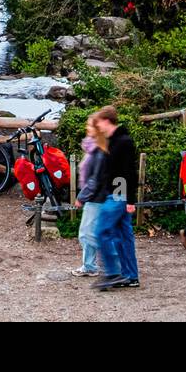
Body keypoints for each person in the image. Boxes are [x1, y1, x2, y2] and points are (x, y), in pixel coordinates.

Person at [92, 105, 140, 290]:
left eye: (99, 123)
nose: (99, 127)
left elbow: (129, 172)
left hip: (118, 194)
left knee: (102, 232)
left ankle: (113, 273)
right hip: (119, 193)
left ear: (106, 121)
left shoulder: (121, 142)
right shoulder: (115, 140)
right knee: (123, 236)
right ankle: (130, 275)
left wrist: (129, 200)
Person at [71, 115, 107, 277]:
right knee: (91, 232)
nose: (87, 128)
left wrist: (82, 196)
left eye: (90, 126)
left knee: (87, 233)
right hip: (95, 197)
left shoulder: (99, 151)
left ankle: (104, 262)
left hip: (96, 198)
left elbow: (95, 179)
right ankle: (89, 265)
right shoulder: (94, 147)